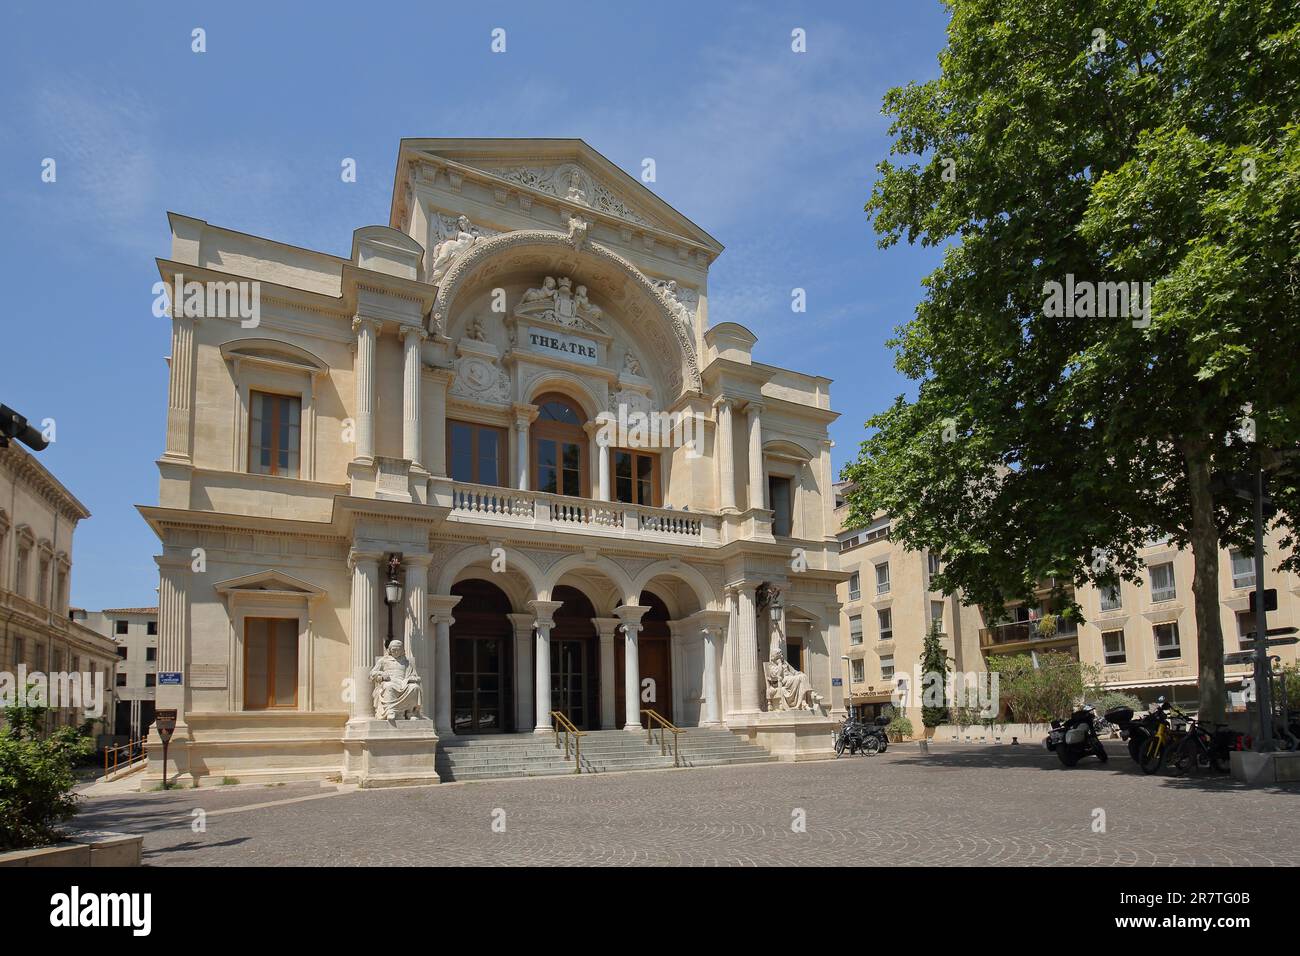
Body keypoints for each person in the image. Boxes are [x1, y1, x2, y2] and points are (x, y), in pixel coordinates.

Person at [370, 640, 422, 719]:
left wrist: (412, 679)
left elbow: (416, 676)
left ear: (402, 650)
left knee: (415, 688)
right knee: (389, 687)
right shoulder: (383, 661)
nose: (396, 652)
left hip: (403, 683)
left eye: (398, 650)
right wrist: (382, 675)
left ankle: (410, 712)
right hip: (390, 682)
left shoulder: (407, 662)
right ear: (389, 650)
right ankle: (390, 710)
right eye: (394, 650)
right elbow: (372, 674)